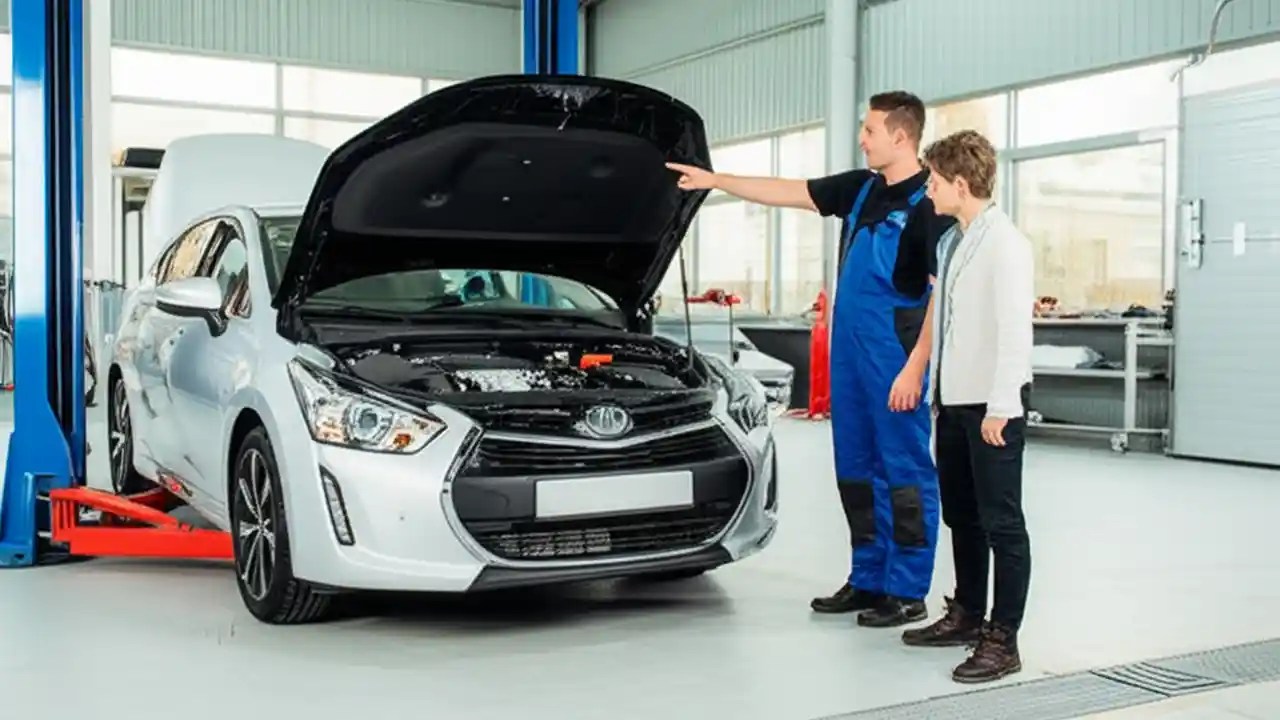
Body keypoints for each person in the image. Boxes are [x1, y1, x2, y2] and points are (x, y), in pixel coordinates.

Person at [666, 91, 955, 628]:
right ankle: (867, 578)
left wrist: (917, 365)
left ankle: (907, 587)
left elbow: (942, 296)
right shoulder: (861, 188)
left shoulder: (930, 204)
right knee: (855, 466)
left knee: (904, 470)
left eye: (869, 130)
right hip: (850, 353)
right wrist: (715, 180)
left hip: (894, 355)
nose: (862, 139)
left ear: (900, 136)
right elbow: (789, 191)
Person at [900, 129, 1034, 684]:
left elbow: (1014, 331)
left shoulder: (1006, 244)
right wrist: (934, 391)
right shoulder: (952, 241)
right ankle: (967, 613)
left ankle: (1003, 639)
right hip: (953, 402)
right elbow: (948, 323)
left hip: (991, 405)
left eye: (933, 181)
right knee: (962, 516)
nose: (927, 190)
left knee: (1002, 523)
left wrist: (1002, 407)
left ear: (960, 183)